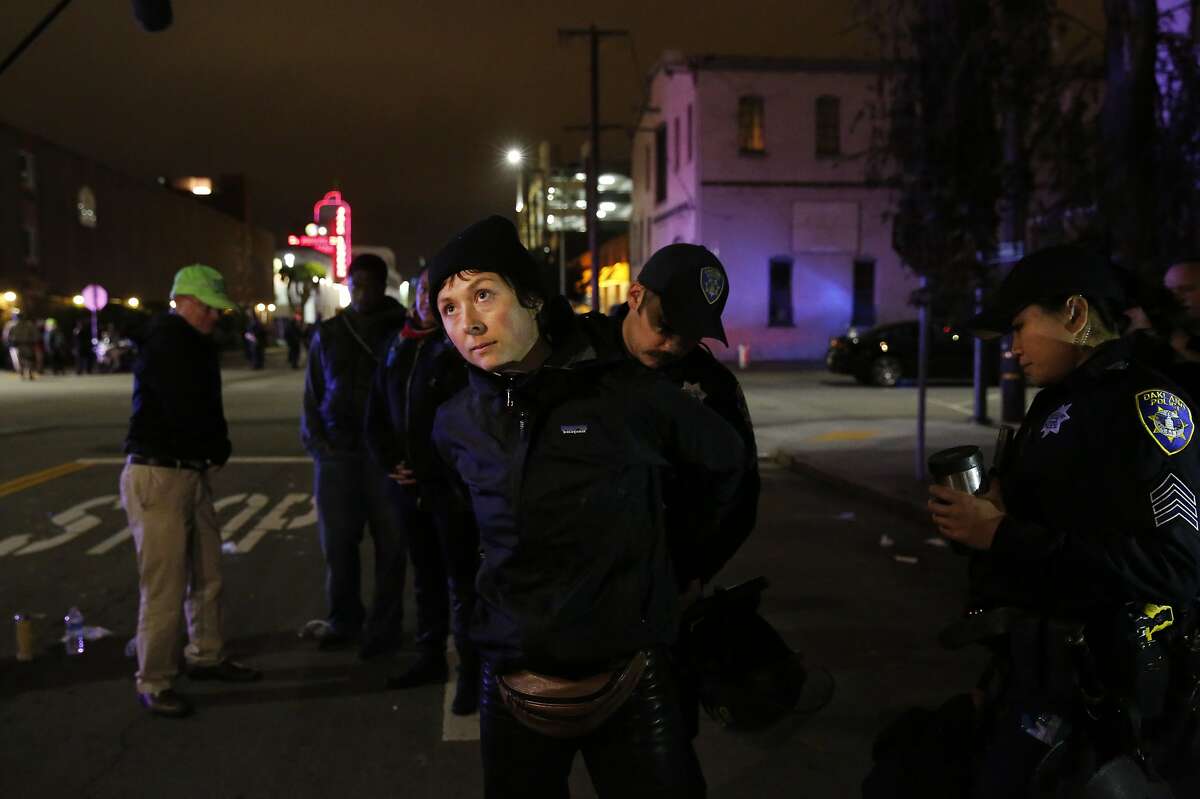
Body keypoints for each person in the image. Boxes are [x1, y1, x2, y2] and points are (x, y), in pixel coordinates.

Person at [429, 216, 746, 798]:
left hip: (631, 680)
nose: (467, 322)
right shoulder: (453, 422)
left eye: (483, 295)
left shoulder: (621, 391)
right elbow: (456, 525)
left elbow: (728, 468)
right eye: (449, 308)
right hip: (513, 685)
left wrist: (671, 569)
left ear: (530, 298)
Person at [914, 245, 1200, 796]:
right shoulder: (1059, 401)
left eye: (1021, 326)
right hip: (1035, 681)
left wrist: (1001, 533)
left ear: (1074, 313)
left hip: (1106, 709)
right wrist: (986, 522)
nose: (1014, 348)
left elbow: (1175, 566)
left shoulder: (1146, 405)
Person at [121, 264, 261, 718]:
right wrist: (215, 444)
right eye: (208, 307)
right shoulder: (168, 342)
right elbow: (184, 409)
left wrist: (212, 447)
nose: (214, 316)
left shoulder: (189, 342)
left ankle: (206, 653)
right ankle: (154, 679)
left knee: (207, 571)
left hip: (187, 470)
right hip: (160, 473)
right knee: (165, 586)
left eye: (217, 309)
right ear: (183, 301)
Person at [364, 266, 480, 713]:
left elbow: (473, 420)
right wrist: (390, 461)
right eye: (423, 289)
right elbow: (376, 410)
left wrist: (434, 467)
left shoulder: (460, 346)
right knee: (426, 578)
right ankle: (429, 655)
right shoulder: (397, 345)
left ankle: (471, 671)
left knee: (463, 582)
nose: (427, 298)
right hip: (408, 490)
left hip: (450, 491)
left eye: (437, 290)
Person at [301, 254, 408, 658]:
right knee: (338, 546)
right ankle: (344, 619)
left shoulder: (400, 331)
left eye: (368, 285)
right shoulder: (329, 332)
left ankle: (385, 626)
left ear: (382, 286)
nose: (360, 293)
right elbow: (313, 393)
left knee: (391, 547)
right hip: (338, 455)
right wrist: (318, 445)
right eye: (355, 285)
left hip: (385, 456)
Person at [5, 311, 39, 380]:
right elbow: (35, 335)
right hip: (24, 344)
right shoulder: (28, 325)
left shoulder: (13, 325)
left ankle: (24, 373)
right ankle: (27, 373)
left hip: (20, 344)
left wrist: (9, 342)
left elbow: (8, 336)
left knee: (22, 359)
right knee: (27, 359)